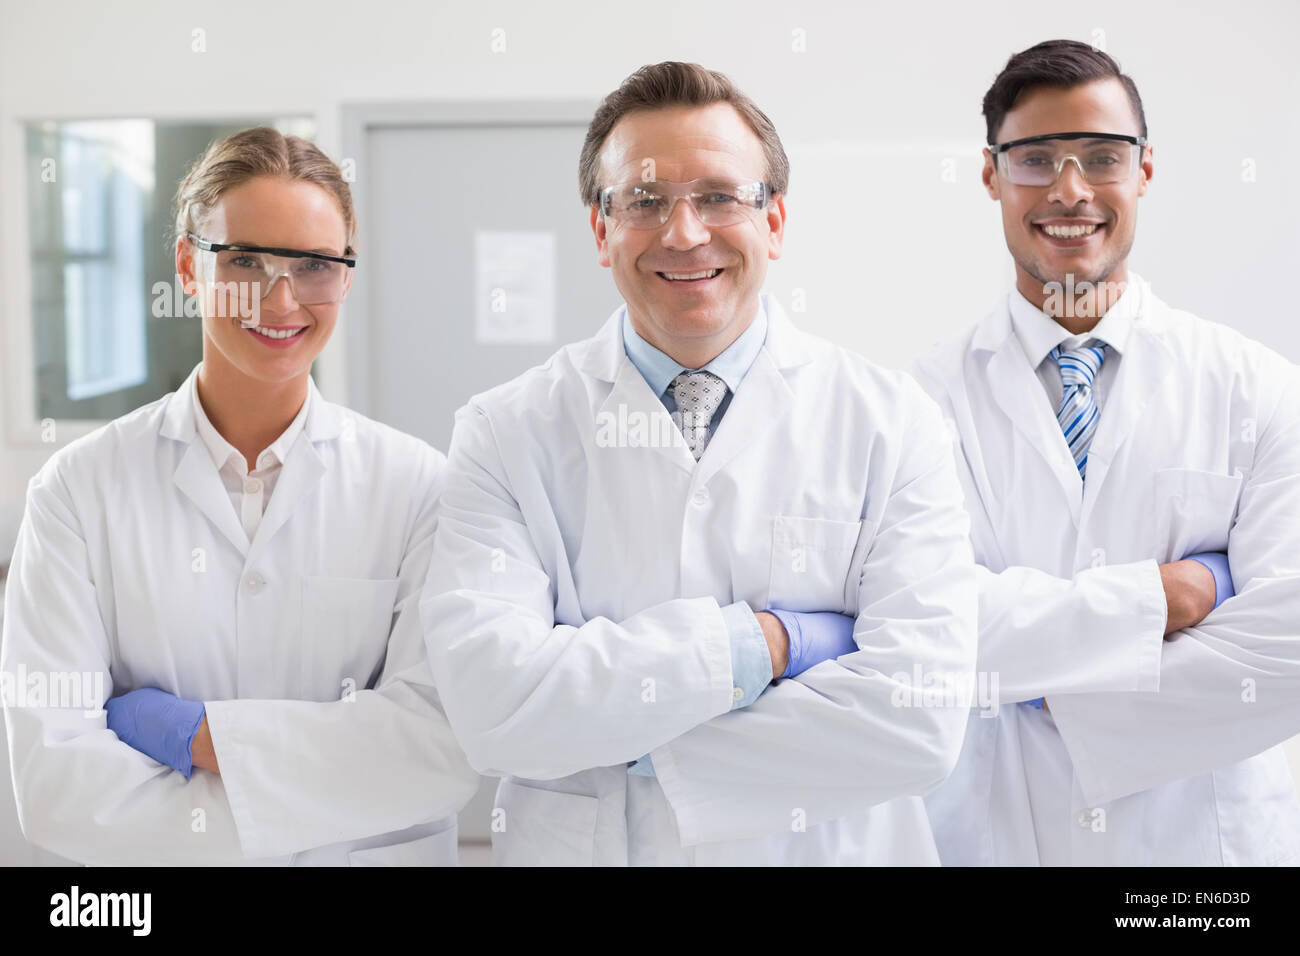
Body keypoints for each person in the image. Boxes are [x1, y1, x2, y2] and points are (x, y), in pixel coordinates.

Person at [421, 61, 977, 866]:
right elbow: (491, 709)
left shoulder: (892, 422)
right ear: (600, 228)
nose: (683, 233)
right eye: (644, 201)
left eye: (719, 196)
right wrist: (765, 646)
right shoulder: (505, 431)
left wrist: (628, 745)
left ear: (775, 221)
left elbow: (918, 720)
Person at [1, 127, 479, 865]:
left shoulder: (419, 487)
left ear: (346, 277)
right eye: (246, 260)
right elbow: (57, 785)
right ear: (190, 268)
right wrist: (331, 795)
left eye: (315, 264)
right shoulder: (77, 489)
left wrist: (198, 738)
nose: (280, 298)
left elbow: (439, 752)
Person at [912, 40, 1300, 865]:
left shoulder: (1260, 389)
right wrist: (1168, 597)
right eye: (1036, 158)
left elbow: (1289, 646)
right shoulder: (916, 405)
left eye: (1100, 156)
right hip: (996, 837)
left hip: (1199, 860)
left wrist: (1055, 693)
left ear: (1145, 171)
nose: (1069, 189)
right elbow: (930, 628)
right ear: (990, 175)